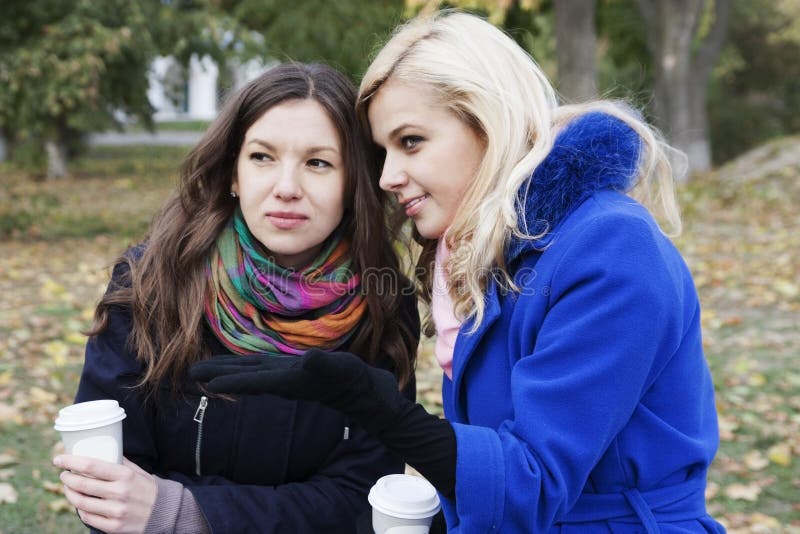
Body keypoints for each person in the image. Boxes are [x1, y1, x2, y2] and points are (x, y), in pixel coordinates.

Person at [191, 10, 725, 533]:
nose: (387, 177)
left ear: (487, 124)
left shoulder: (608, 245)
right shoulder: (483, 254)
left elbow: (532, 483)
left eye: (411, 142)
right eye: (382, 152)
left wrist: (376, 407)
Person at [53, 62, 420, 533]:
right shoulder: (150, 283)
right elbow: (109, 484)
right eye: (262, 157)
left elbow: (360, 498)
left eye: (318, 163)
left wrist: (184, 510)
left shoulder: (385, 308)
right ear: (233, 173)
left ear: (353, 184)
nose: (286, 188)